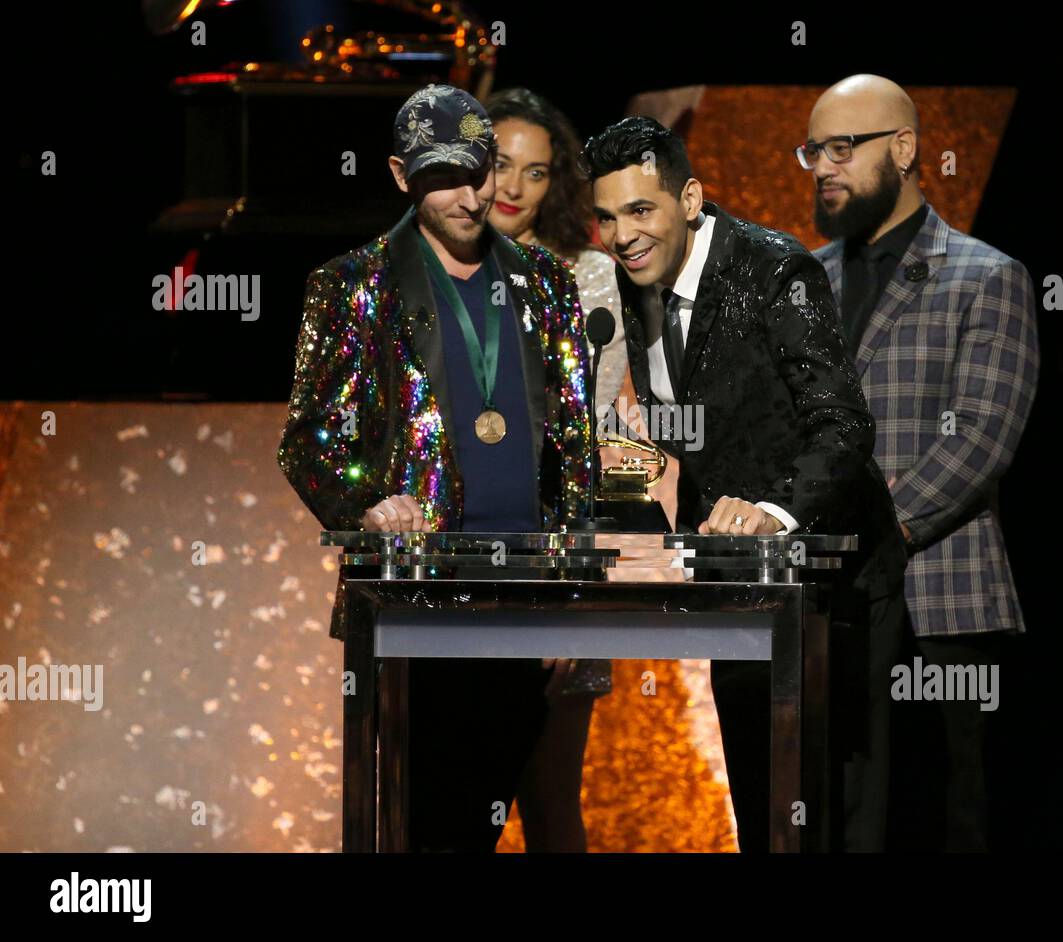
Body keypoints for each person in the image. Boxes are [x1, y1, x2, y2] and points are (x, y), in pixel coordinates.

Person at [276, 83, 592, 852]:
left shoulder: (547, 283)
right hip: (414, 597)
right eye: (442, 175)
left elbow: (577, 451)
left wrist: (572, 592)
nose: (469, 193)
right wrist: (370, 507)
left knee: (494, 812)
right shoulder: (352, 285)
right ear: (398, 174)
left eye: (477, 172)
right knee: (425, 822)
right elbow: (310, 439)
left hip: (525, 598)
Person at [583, 116, 908, 852]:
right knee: (765, 811)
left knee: (838, 819)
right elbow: (691, 432)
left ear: (689, 197)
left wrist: (770, 509)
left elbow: (844, 425)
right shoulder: (636, 284)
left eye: (640, 210)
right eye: (605, 217)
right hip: (739, 584)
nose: (621, 234)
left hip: (838, 584)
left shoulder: (774, 269)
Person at [804, 74, 1040, 851]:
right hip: (823, 599)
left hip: (939, 596)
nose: (824, 168)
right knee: (837, 813)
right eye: (814, 152)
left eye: (843, 148)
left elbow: (979, 438)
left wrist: (877, 530)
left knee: (941, 817)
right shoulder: (806, 281)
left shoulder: (986, 276)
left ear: (905, 149)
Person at [484, 87, 622, 852]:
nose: (511, 188)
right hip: (453, 562)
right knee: (446, 806)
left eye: (535, 173)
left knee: (551, 807)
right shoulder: (430, 263)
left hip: (556, 558)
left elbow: (581, 436)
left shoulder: (588, 278)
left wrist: (562, 582)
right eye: (500, 165)